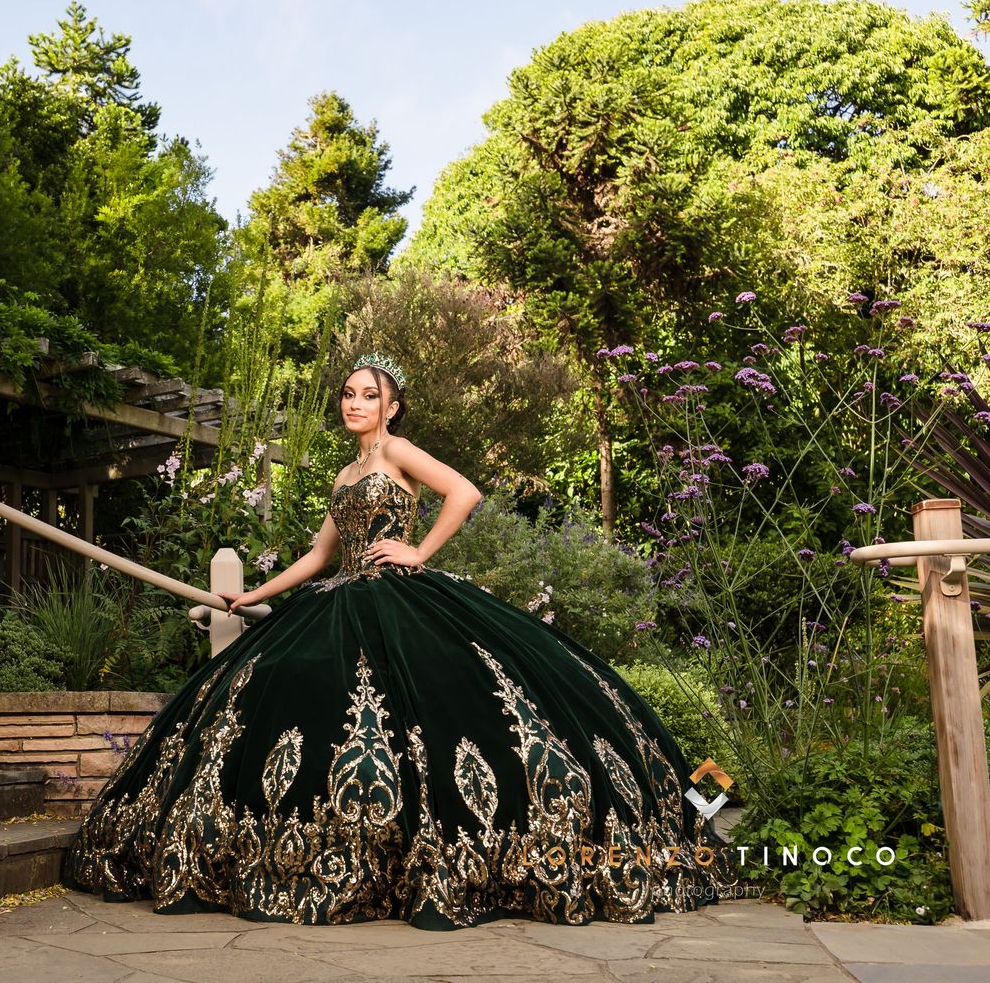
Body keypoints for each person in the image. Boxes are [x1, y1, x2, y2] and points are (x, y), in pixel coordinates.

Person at [63, 351, 738, 929]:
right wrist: (254, 594)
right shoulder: (344, 473)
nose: (355, 403)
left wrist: (418, 551)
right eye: (348, 394)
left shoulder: (396, 451)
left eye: (369, 395)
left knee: (449, 708)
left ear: (391, 407)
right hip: (342, 597)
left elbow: (465, 493)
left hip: (401, 597)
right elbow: (320, 555)